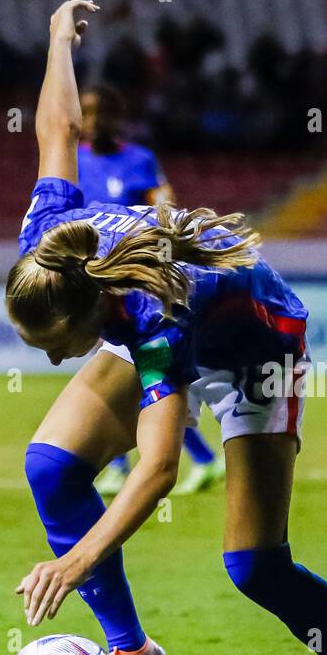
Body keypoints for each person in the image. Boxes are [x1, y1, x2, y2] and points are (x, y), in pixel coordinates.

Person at [9, 0, 327, 655]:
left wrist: (78, 560)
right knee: (51, 466)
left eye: (55, 343)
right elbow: (56, 129)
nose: (50, 359)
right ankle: (131, 651)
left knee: (256, 567)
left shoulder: (154, 316)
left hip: (257, 346)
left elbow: (159, 467)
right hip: (154, 323)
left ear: (91, 310)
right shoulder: (49, 239)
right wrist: (59, 40)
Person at [75, 84, 226, 496]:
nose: (94, 121)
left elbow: (165, 207)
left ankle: (136, 464)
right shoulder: (72, 162)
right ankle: (162, 462)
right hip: (96, 281)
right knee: (130, 372)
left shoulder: (139, 159)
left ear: (115, 117)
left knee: (137, 370)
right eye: (86, 113)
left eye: (101, 113)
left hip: (137, 282)